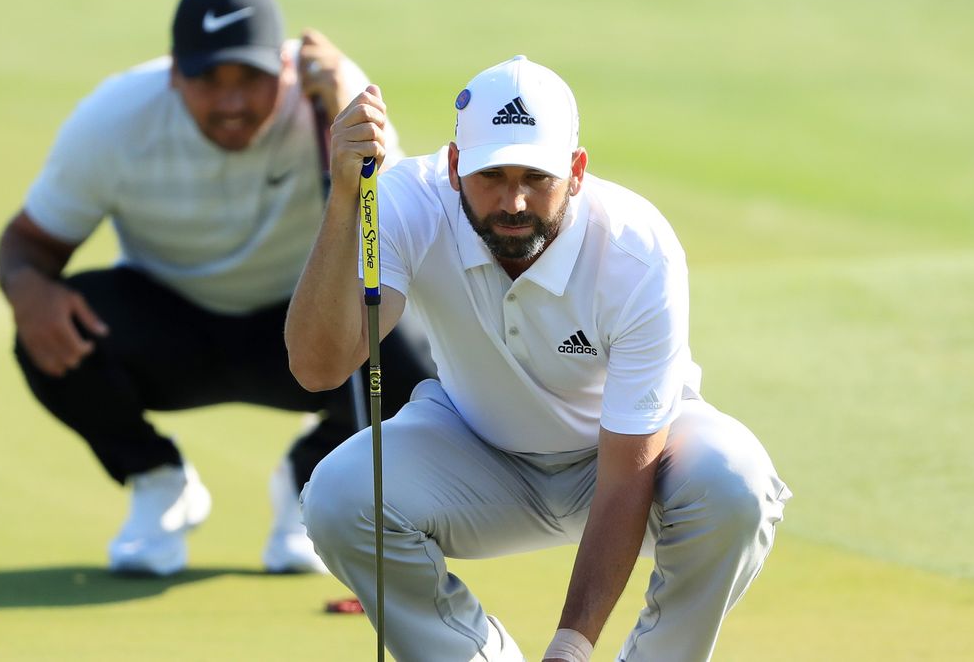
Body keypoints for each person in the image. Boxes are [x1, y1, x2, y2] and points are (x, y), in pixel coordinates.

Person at [286, 56, 791, 661]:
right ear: (453, 167)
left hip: (632, 465)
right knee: (340, 498)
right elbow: (318, 367)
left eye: (537, 177)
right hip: (478, 453)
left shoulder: (636, 251)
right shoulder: (405, 202)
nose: (515, 202)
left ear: (576, 172)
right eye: (492, 175)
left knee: (736, 483)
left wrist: (570, 648)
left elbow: (627, 472)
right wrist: (345, 201)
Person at [0, 0, 432, 577]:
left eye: (249, 79)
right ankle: (157, 482)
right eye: (208, 80)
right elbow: (25, 246)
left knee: (419, 345)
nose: (231, 102)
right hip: (168, 324)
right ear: (175, 73)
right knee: (48, 324)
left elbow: (403, 241)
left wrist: (340, 118)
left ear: (282, 69)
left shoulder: (333, 102)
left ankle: (310, 484)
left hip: (302, 331)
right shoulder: (116, 118)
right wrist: (27, 289)